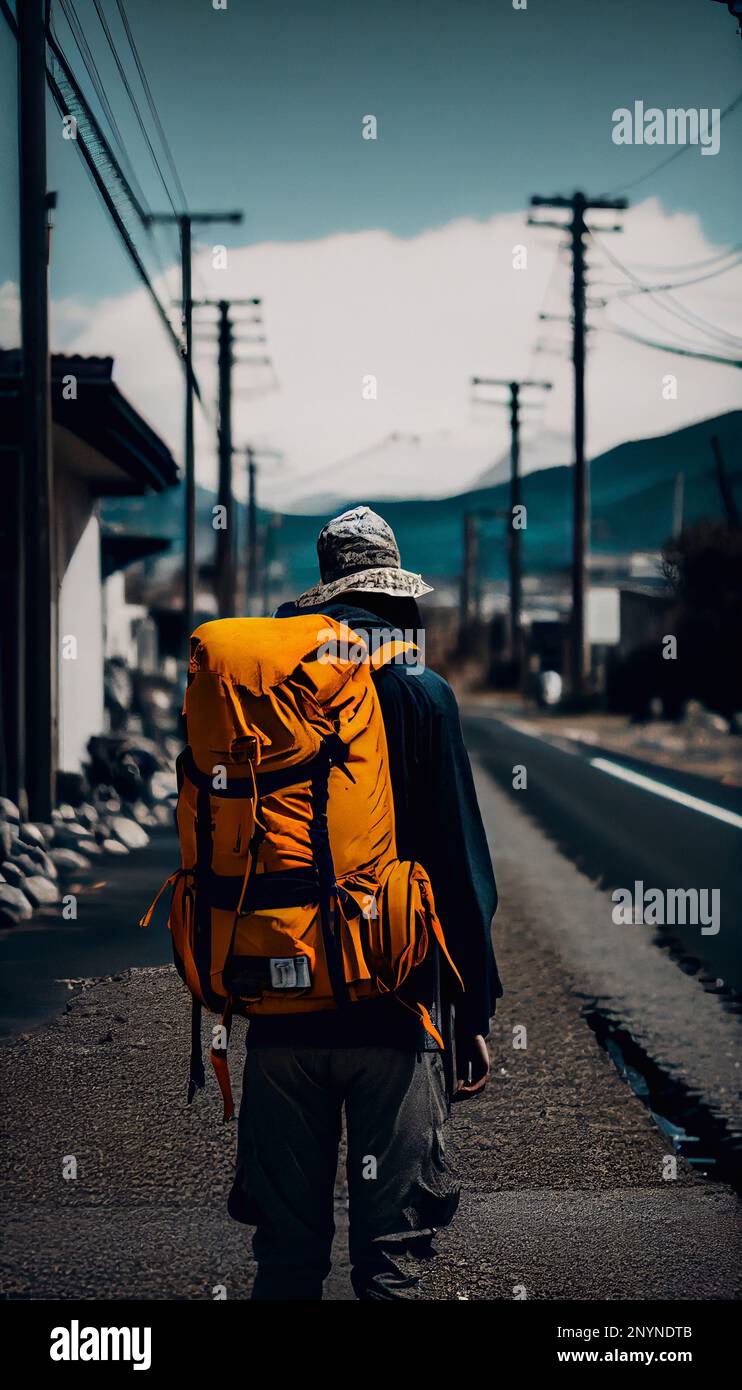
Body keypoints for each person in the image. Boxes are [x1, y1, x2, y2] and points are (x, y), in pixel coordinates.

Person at [228, 505, 502, 1300]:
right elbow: (459, 869)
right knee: (392, 1263)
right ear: (396, 598)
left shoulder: (273, 693)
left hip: (281, 1010)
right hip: (394, 1006)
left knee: (285, 1264)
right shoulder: (422, 692)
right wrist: (474, 1011)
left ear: (324, 594)